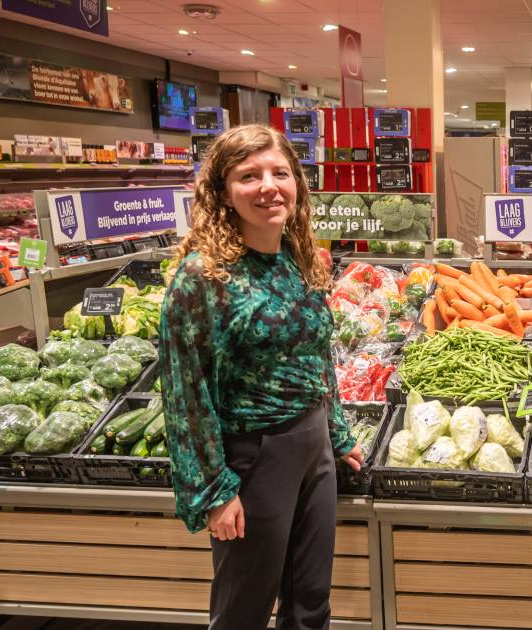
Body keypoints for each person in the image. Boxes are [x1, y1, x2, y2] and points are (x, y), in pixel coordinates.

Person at [159, 124, 364, 630]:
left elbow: (318, 356)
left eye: (279, 172)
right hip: (253, 455)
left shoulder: (298, 259)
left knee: (310, 601)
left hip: (312, 449)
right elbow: (184, 392)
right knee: (243, 609)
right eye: (249, 176)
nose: (268, 186)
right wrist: (214, 490)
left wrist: (336, 432)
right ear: (224, 193)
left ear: (296, 182)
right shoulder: (202, 276)